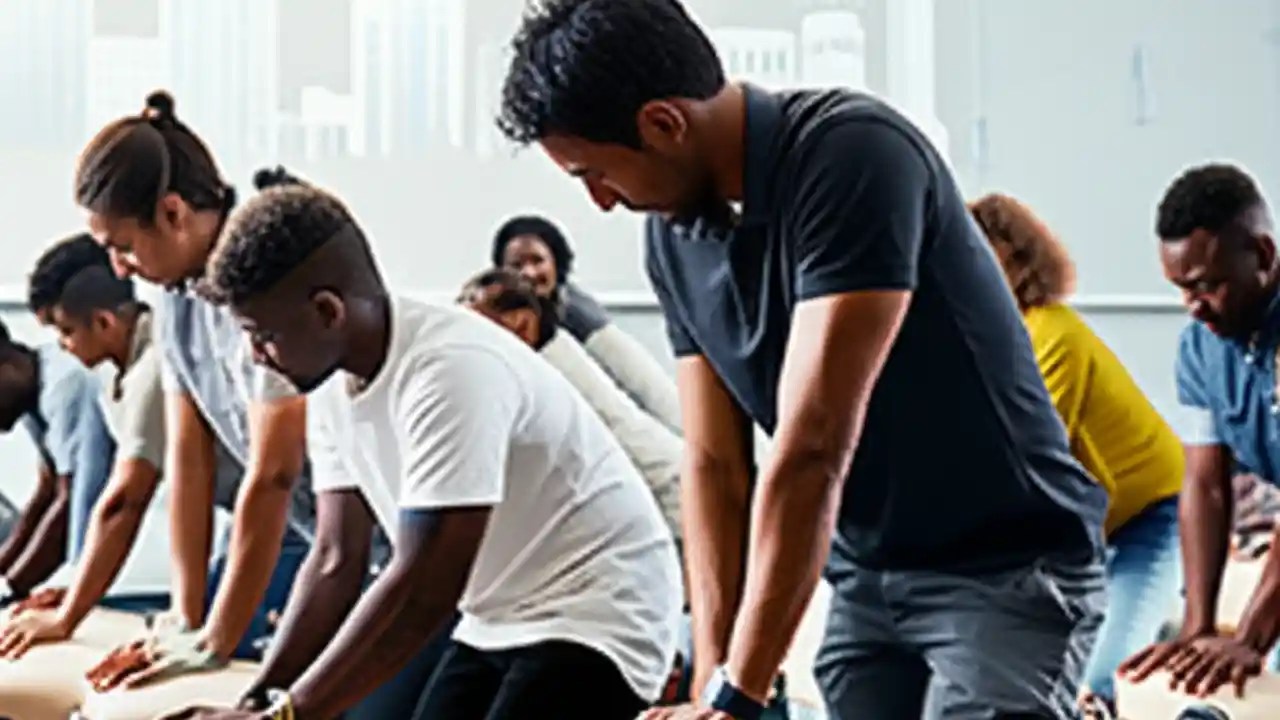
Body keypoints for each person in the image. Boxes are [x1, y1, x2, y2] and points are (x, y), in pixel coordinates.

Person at [497, 2, 1110, 718]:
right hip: (869, 577)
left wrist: (738, 696)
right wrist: (711, 676)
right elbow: (715, 466)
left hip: (1006, 567)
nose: (601, 203)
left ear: (664, 123)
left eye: (594, 175)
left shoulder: (853, 154)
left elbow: (813, 443)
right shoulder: (674, 236)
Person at [160, 181, 681, 720]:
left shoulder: (449, 369)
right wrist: (257, 701)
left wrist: (288, 715)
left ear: (326, 311)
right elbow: (337, 557)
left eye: (261, 334)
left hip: (600, 609)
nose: (256, 356)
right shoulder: (334, 384)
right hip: (498, 616)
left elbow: (426, 585)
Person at [71, 91, 318, 685]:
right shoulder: (177, 297)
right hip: (307, 529)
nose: (119, 269)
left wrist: (215, 643)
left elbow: (274, 471)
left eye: (123, 247)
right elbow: (190, 461)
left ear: (174, 212)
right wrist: (187, 618)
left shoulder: (263, 275)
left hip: (366, 529)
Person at [970, 193, 1185, 716]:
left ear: (1020, 263)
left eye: (984, 256)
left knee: (1100, 682)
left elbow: (1023, 464)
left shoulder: (1051, 336)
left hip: (1152, 517)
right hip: (1086, 532)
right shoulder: (991, 345)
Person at [1121, 162, 1280, 699]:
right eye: (1180, 289)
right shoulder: (1200, 348)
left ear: (1262, 257)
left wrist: (1252, 636)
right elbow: (1206, 484)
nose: (1193, 306)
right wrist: (1199, 627)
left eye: (1207, 286)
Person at [0, 233, 175, 660]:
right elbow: (48, 493)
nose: (63, 343)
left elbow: (119, 502)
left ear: (103, 323)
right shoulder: (107, 373)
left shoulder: (122, 376)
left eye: (66, 331)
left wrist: (63, 610)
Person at [458, 267, 682, 544]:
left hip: (669, 494)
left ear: (523, 324)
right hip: (659, 488)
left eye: (480, 328)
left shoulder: (549, 374)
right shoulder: (550, 353)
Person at [492, 214, 682, 433]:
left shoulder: (578, 314)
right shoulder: (504, 319)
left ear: (557, 262)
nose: (528, 273)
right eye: (516, 265)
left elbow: (650, 388)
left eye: (537, 260)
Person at [0, 312, 113, 610]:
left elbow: (70, 502)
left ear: (6, 367)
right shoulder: (32, 389)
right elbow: (46, 492)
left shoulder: (66, 385)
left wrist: (9, 589)